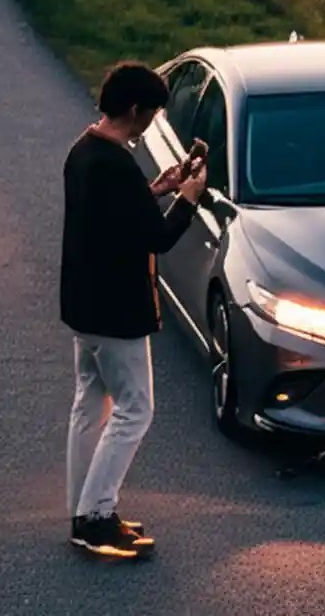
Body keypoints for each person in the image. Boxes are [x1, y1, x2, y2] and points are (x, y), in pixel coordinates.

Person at [59, 61, 207, 558]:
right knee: (135, 411)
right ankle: (97, 515)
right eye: (150, 114)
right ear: (135, 110)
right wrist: (187, 199)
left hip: (85, 308)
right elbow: (158, 237)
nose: (150, 124)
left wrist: (158, 189)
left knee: (89, 408)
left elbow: (113, 216)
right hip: (118, 311)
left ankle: (82, 511)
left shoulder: (84, 152)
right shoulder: (117, 164)